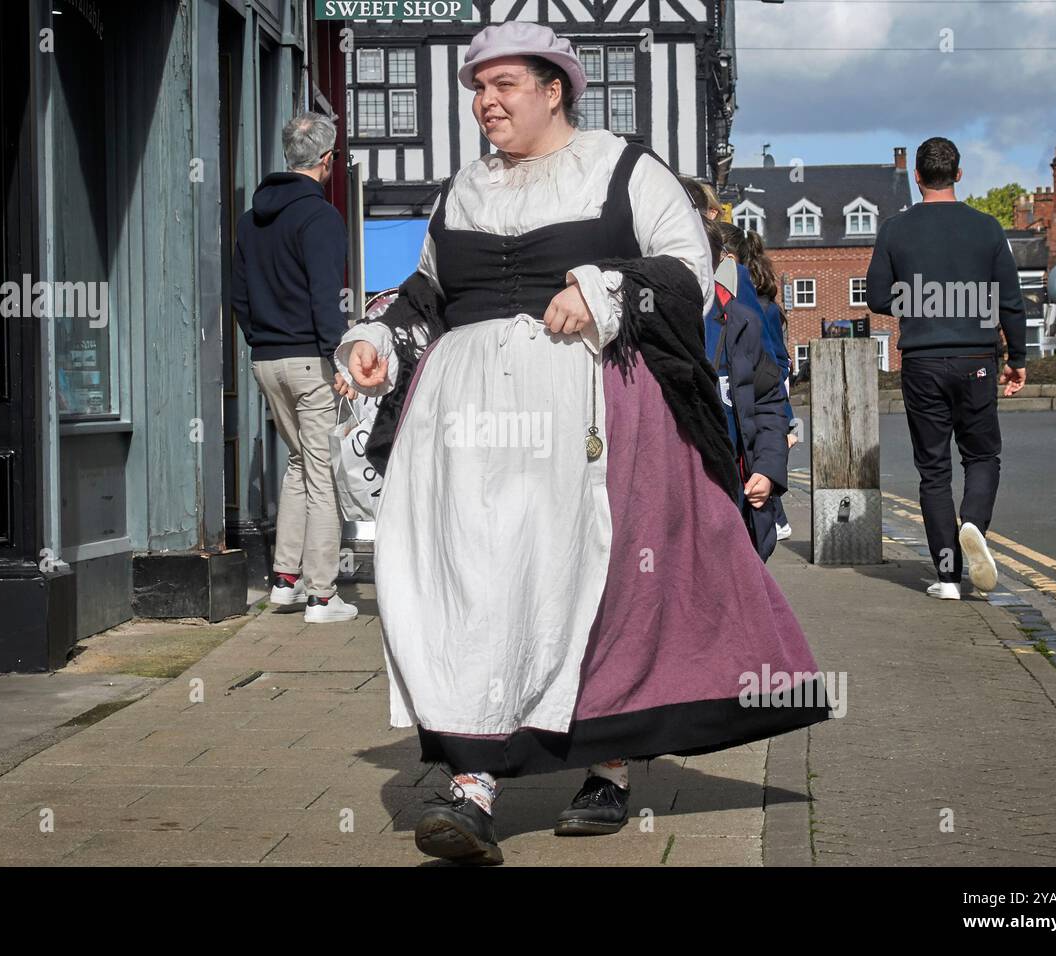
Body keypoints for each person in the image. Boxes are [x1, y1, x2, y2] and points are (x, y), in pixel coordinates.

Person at [333, 22, 830, 866]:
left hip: (594, 419)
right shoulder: (462, 192)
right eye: (477, 88)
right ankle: (474, 780)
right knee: (472, 584)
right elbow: (426, 293)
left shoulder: (626, 171)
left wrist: (605, 289)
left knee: (598, 583)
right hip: (465, 434)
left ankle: (608, 766)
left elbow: (688, 274)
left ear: (554, 88)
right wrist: (375, 340)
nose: (486, 102)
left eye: (505, 85)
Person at [865, 136, 1027, 601]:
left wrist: (918, 300)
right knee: (981, 455)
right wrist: (1016, 359)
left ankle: (949, 577)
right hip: (977, 357)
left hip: (921, 361)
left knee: (933, 470)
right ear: (959, 174)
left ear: (917, 177)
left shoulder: (895, 229)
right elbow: (1011, 303)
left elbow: (877, 297)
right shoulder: (988, 228)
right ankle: (973, 521)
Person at [230, 111, 358, 623]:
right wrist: (340, 358)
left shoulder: (249, 219)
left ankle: (285, 581)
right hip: (310, 360)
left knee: (300, 465)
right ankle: (322, 596)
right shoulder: (321, 218)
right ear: (326, 162)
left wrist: (261, 343)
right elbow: (325, 298)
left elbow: (239, 296)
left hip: (266, 361)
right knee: (322, 470)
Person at [680, 178, 790, 561]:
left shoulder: (740, 321)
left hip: (737, 495)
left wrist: (769, 468)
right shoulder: (648, 328)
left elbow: (768, 398)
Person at [738, 228, 798, 540]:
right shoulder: (761, 307)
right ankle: (776, 517)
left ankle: (777, 519)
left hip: (765, 395)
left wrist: (787, 420)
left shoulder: (762, 310)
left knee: (763, 458)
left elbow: (777, 361)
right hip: (762, 397)